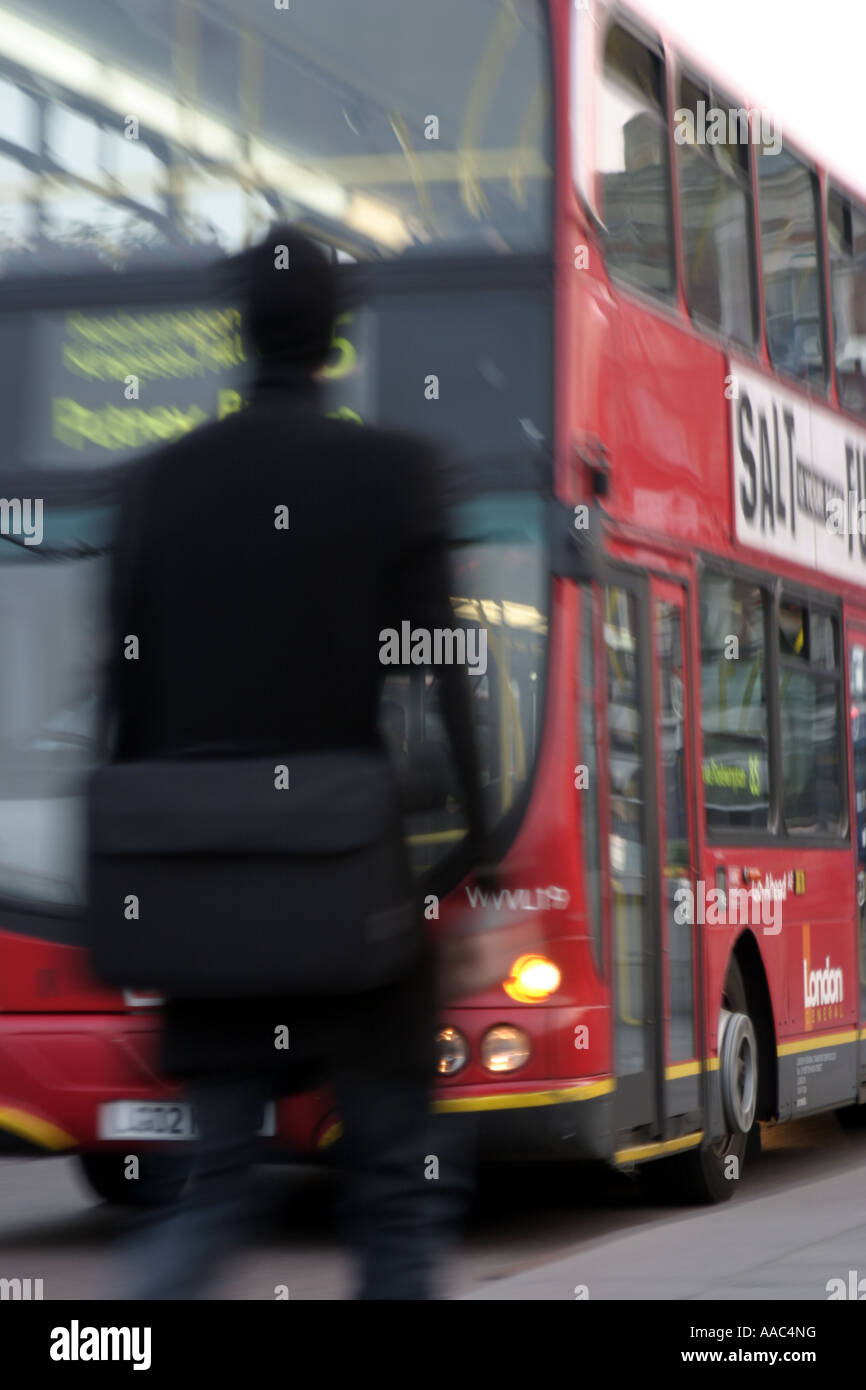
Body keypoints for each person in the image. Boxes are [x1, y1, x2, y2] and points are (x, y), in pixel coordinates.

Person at [102, 226, 487, 1300]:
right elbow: (444, 692)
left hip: (210, 898)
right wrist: (463, 870)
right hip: (355, 898)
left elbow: (124, 712)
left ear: (238, 330)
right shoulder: (397, 474)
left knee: (214, 1191)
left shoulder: (155, 487)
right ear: (339, 336)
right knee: (395, 1196)